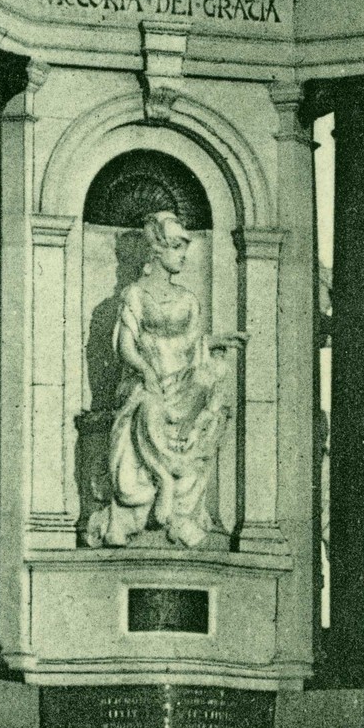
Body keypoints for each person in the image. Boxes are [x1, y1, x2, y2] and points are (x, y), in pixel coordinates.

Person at [85, 210, 231, 550]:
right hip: (143, 381)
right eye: (177, 247)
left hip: (180, 381)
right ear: (158, 251)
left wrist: (215, 343)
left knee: (211, 400)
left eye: (184, 247)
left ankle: (181, 513)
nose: (182, 254)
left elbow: (194, 347)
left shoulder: (188, 300)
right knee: (148, 407)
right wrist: (148, 373)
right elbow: (124, 346)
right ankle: (164, 482)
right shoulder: (134, 295)